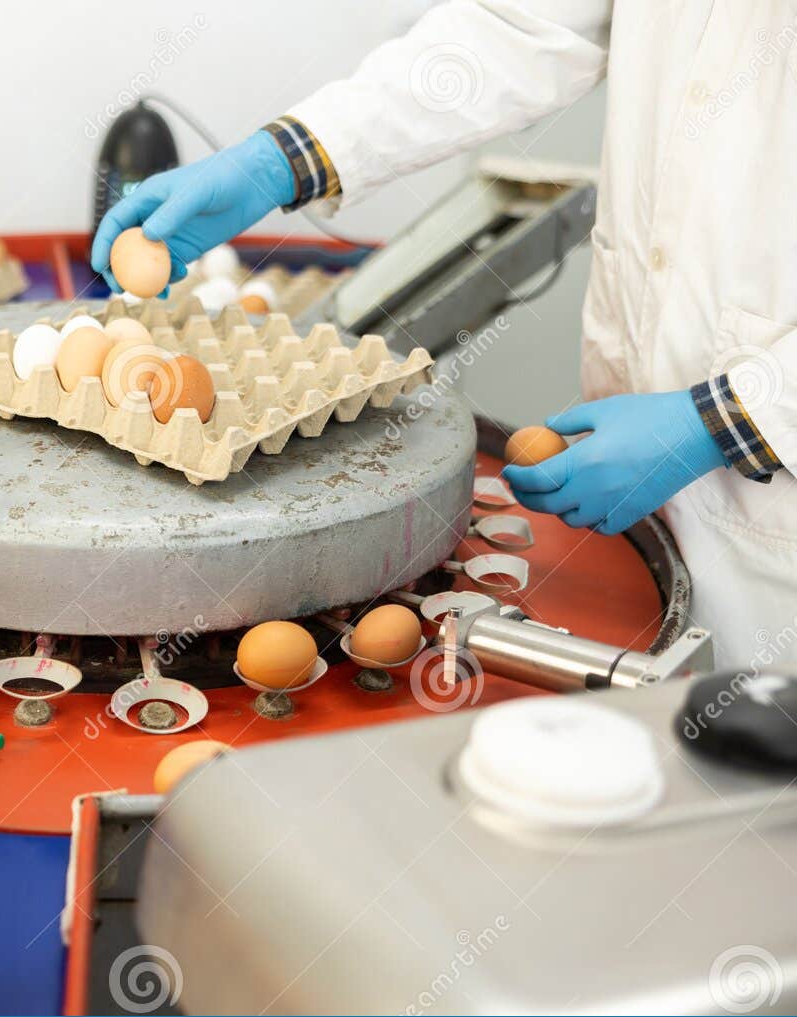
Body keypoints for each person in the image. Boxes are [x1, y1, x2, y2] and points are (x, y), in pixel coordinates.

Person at [92, 1, 796, 668]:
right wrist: (285, 158)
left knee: (760, 774)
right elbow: (520, 26)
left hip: (776, 546)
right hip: (651, 504)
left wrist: (727, 421)